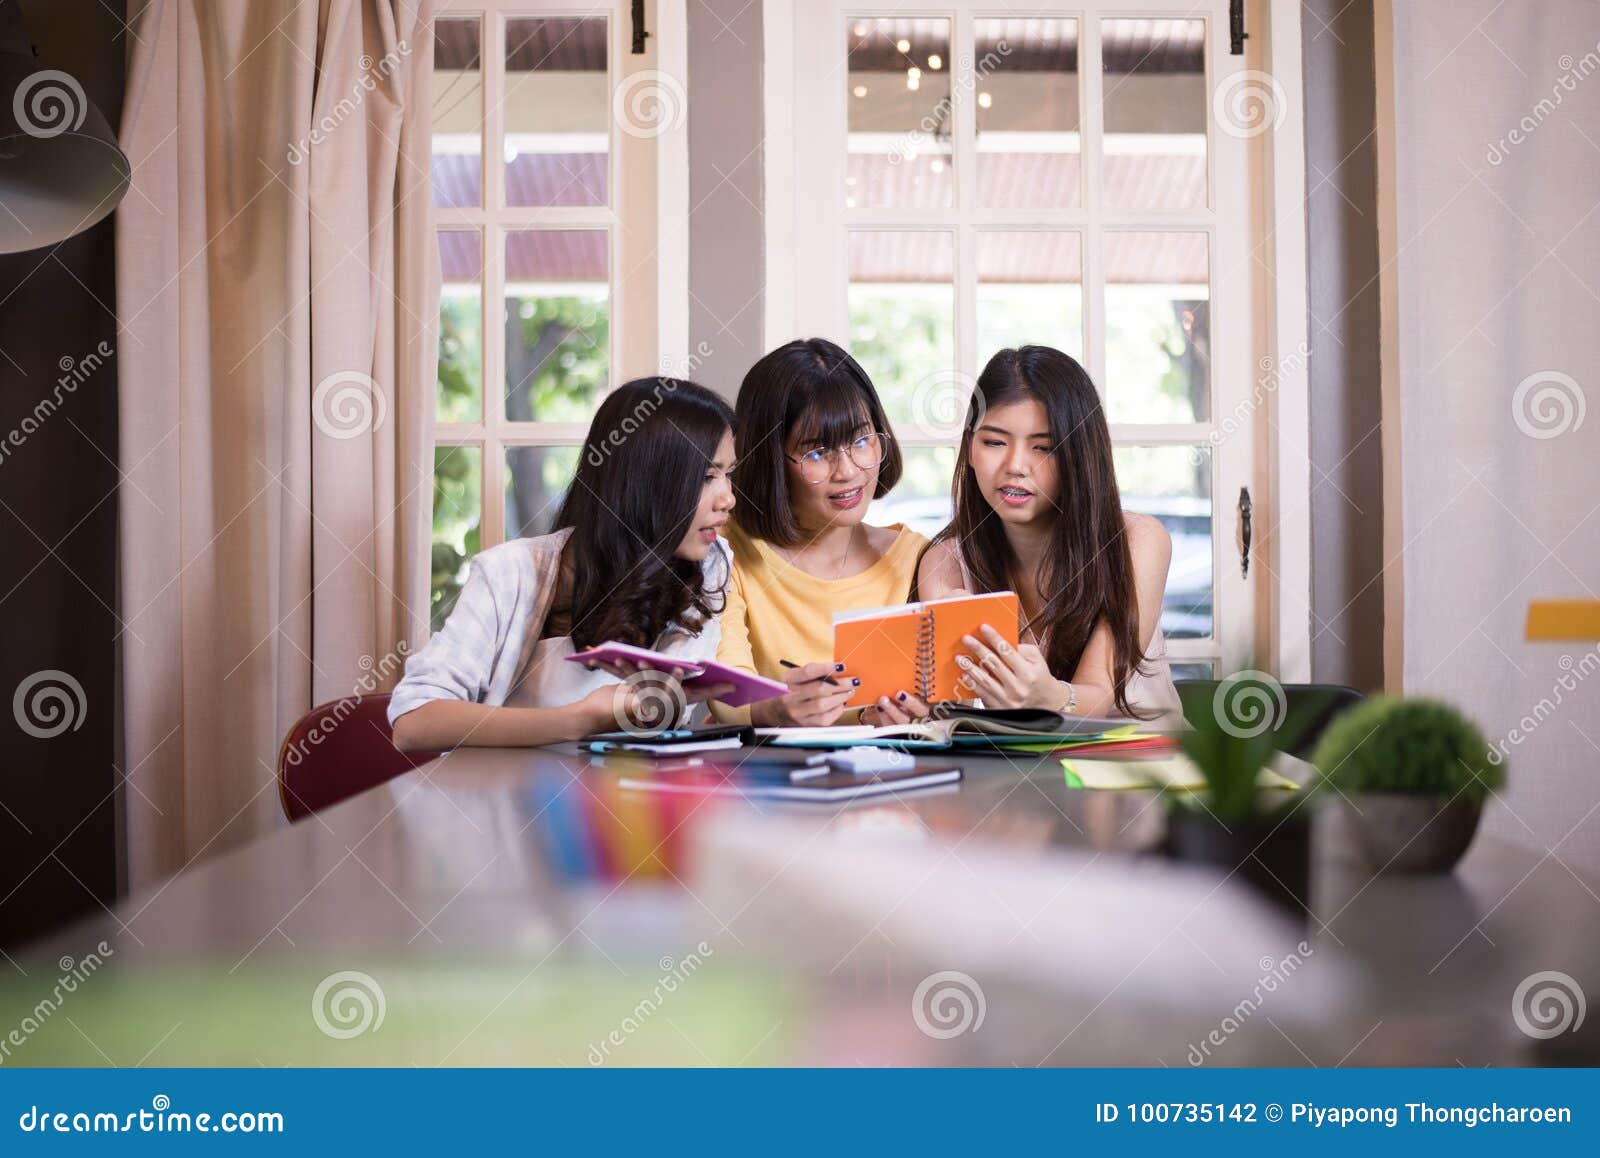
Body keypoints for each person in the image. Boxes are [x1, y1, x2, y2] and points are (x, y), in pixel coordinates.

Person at [389, 378, 738, 750]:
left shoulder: (709, 566)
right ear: (644, 481)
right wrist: (578, 719)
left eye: (729, 474)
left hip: (628, 801)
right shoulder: (511, 573)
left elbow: (657, 724)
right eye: (706, 477)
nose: (728, 498)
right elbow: (414, 723)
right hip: (502, 800)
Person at [876, 345, 1181, 724]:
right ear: (969, 448)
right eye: (994, 442)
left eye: (1044, 448)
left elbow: (1099, 694)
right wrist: (915, 710)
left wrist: (1050, 695)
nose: (1016, 466)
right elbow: (952, 712)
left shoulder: (1138, 541)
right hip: (1015, 768)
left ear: (1080, 456)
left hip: (1144, 766)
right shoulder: (946, 561)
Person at [712, 338, 928, 727]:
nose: (847, 471)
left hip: (894, 781)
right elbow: (727, 696)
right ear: (770, 458)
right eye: (817, 452)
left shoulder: (916, 558)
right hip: (771, 782)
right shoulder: (726, 551)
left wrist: (919, 714)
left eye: (862, 441)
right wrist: (775, 710)